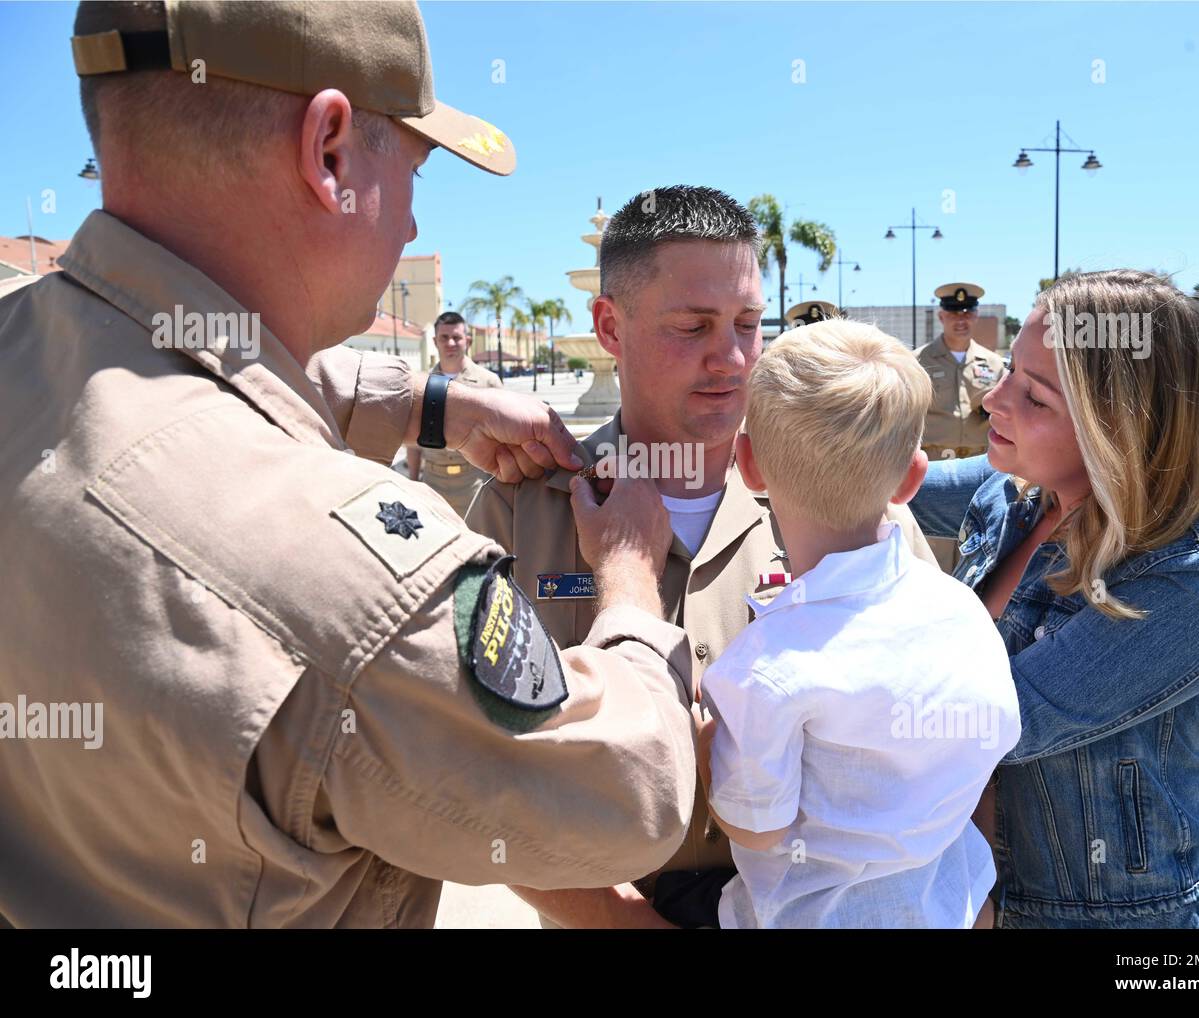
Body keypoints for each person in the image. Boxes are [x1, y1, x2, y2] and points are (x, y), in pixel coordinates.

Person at [0, 0, 701, 928]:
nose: (411, 225)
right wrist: (630, 587)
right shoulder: (355, 586)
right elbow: (629, 788)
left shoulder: (25, 348)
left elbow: (180, 359)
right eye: (412, 170)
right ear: (330, 151)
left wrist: (430, 403)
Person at [466, 185, 939, 927]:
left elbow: (941, 726)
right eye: (693, 326)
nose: (732, 358)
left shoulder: (850, 500)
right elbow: (477, 777)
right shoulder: (521, 513)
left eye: (749, 324)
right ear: (609, 326)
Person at [908, 269, 1199, 928]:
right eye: (1008, 374)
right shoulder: (1016, 491)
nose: (992, 400)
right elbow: (870, 472)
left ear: (1121, 429)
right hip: (979, 896)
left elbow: (993, 726)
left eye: (1034, 395)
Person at [695, 320, 1021, 929]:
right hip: (952, 906)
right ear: (912, 479)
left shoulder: (762, 667)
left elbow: (755, 829)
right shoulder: (963, 613)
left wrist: (706, 745)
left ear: (748, 466)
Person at [917, 283, 1007, 572]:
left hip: (980, 474)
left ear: (976, 317)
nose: (961, 320)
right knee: (932, 556)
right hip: (933, 474)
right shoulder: (918, 362)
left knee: (979, 553)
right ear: (941, 316)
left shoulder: (994, 365)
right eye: (954, 314)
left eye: (968, 313)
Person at [405, 311, 504, 518]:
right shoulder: (420, 385)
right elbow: (413, 443)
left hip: (475, 481)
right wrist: (413, 482)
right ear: (434, 341)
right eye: (444, 337)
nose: (450, 342)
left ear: (467, 340)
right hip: (433, 482)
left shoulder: (489, 382)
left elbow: (503, 439)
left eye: (457, 337)